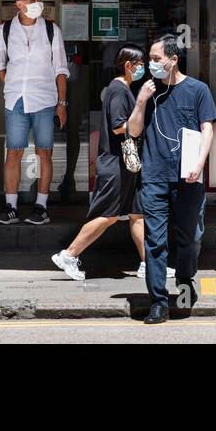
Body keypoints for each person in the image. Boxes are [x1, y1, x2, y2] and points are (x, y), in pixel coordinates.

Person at [125, 34, 216, 325]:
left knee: (189, 237)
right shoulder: (148, 91)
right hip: (154, 177)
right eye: (150, 59)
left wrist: (200, 164)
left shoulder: (198, 90)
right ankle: (158, 302)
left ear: (173, 60)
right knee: (155, 242)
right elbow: (135, 132)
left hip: (188, 178)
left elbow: (207, 129)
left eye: (155, 59)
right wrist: (140, 102)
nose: (151, 64)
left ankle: (186, 277)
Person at [52, 44, 147, 281]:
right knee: (108, 215)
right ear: (128, 65)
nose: (143, 68)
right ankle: (68, 255)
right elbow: (118, 126)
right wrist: (141, 117)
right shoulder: (119, 89)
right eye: (141, 63)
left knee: (138, 213)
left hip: (126, 164)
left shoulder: (123, 88)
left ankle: (150, 264)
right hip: (115, 164)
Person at [0, 0, 69, 225]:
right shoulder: (5, 30)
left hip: (46, 99)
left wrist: (62, 102)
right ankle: (11, 206)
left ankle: (42, 207)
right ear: (19, 4)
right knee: (13, 152)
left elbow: (60, 69)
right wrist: (13, 85)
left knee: (44, 153)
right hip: (15, 99)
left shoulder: (51, 30)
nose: (38, 2)